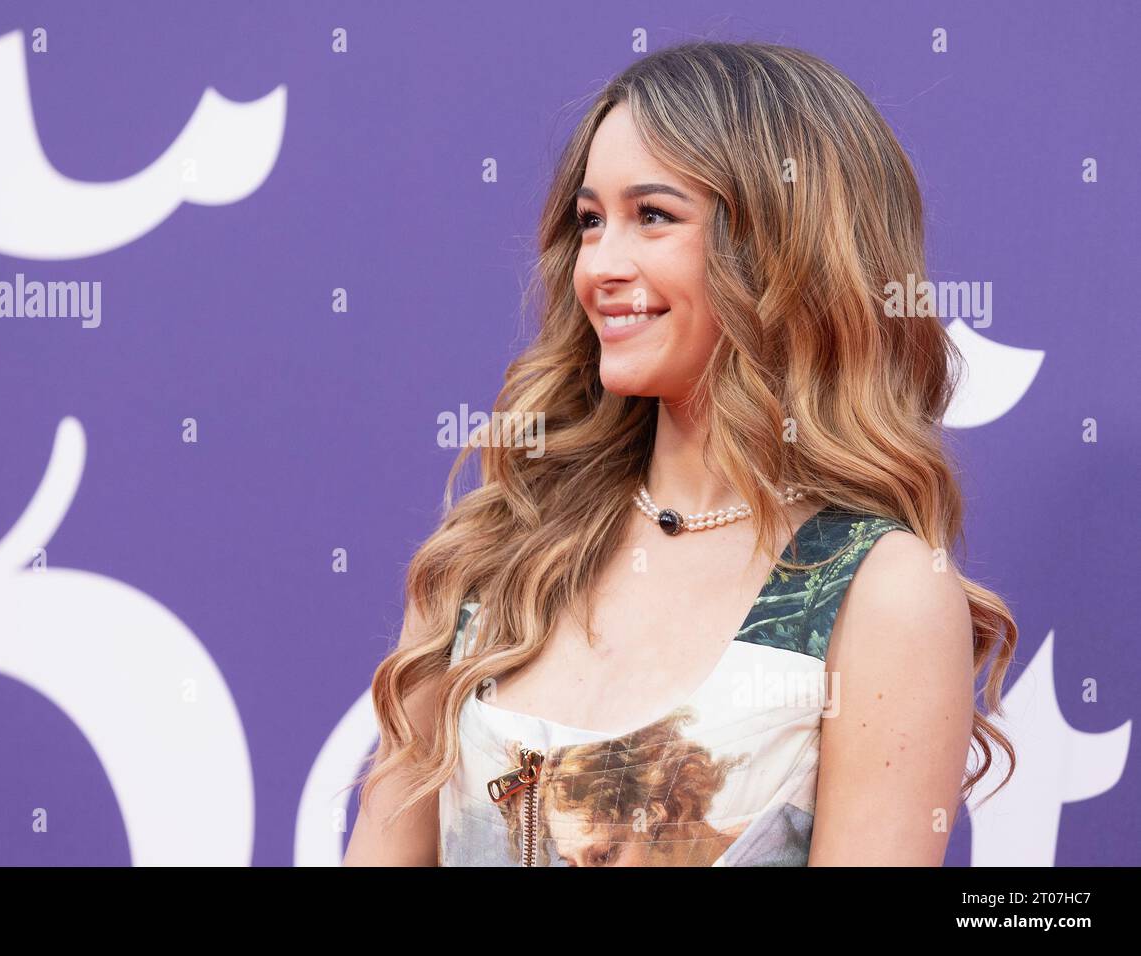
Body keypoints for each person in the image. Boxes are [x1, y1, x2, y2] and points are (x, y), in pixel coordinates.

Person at [344, 40, 1017, 867]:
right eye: (591, 221)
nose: (600, 266)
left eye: (652, 216)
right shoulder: (490, 557)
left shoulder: (879, 592)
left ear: (783, 250)